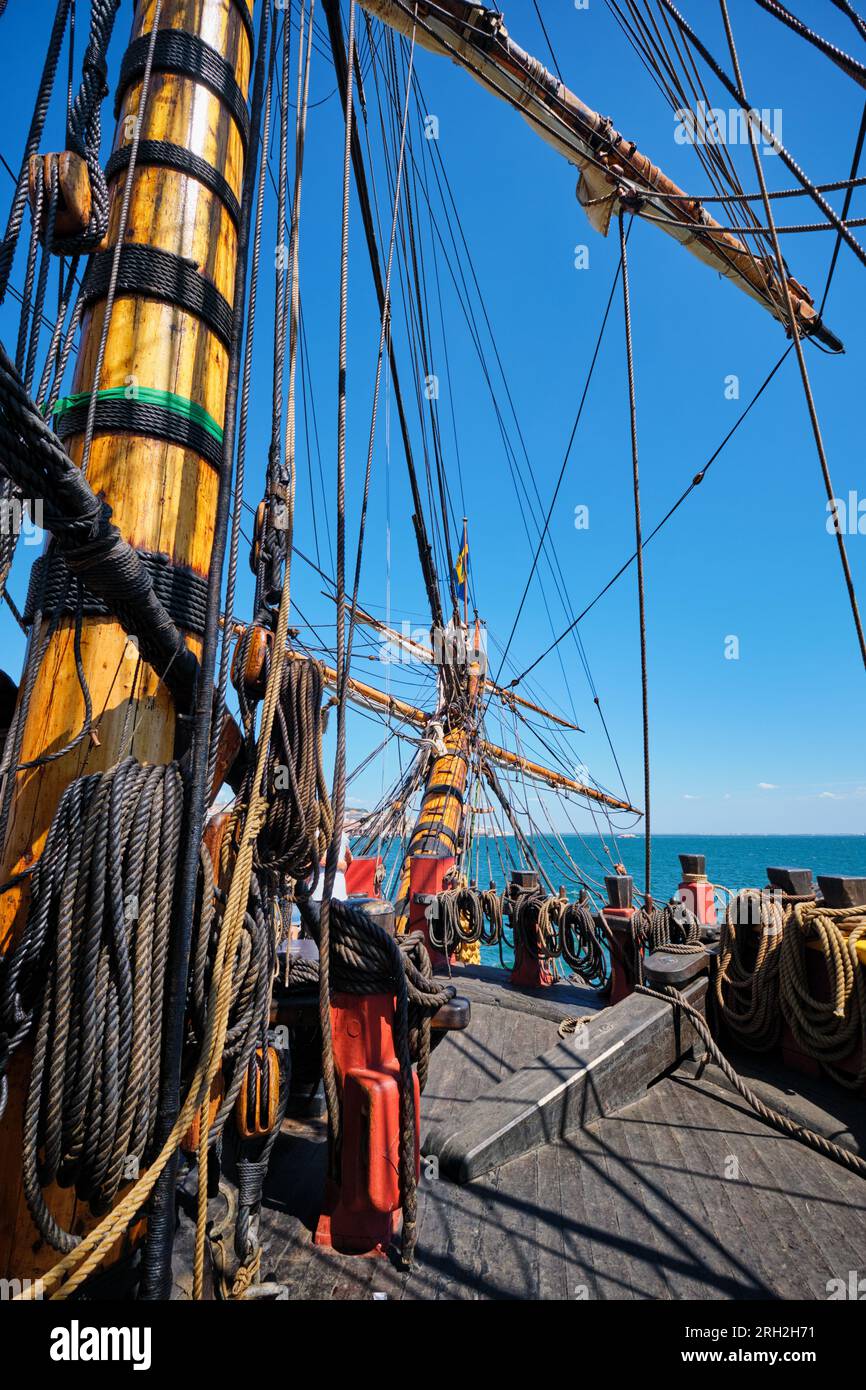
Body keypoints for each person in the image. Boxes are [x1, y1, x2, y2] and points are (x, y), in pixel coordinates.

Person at [310, 828, 353, 902]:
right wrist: (342, 865)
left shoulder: (316, 836)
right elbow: (349, 857)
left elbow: (322, 861)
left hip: (319, 892)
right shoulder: (342, 836)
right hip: (338, 892)